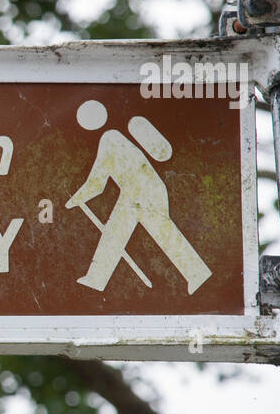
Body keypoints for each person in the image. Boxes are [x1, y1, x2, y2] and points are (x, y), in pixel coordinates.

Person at [65, 100, 211, 295]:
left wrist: (74, 199)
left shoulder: (110, 139)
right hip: (144, 190)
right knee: (145, 233)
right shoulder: (114, 137)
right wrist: (79, 197)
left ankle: (96, 279)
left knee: (123, 232)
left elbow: (97, 183)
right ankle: (197, 273)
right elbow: (98, 183)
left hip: (140, 192)